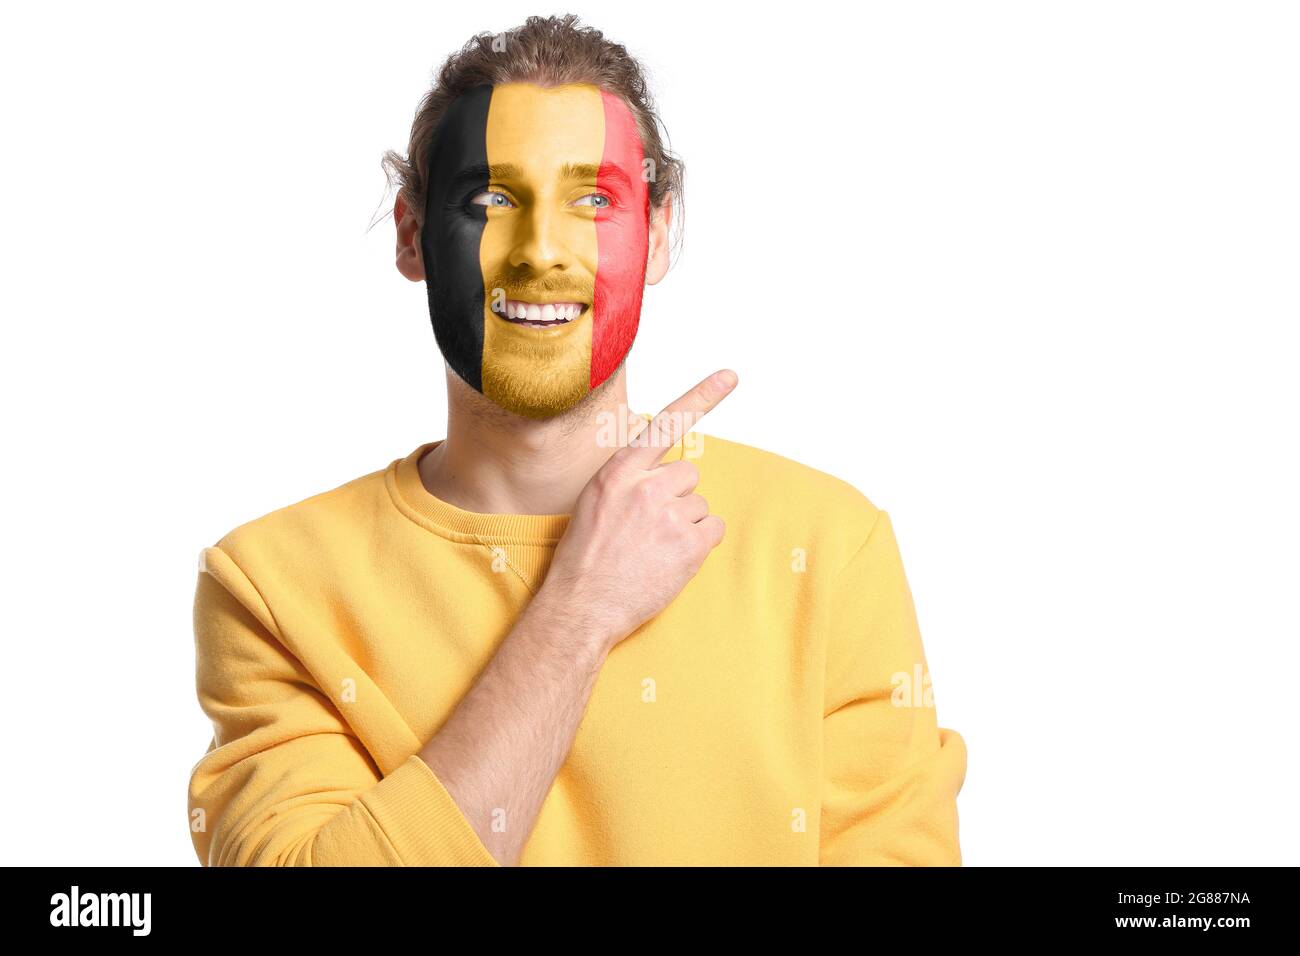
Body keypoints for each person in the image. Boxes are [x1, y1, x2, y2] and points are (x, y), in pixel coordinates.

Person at [186, 14, 967, 866]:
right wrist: (579, 613)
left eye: (593, 199)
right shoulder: (270, 586)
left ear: (661, 232)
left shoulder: (826, 544)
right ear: (412, 235)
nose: (541, 252)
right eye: (492, 199)